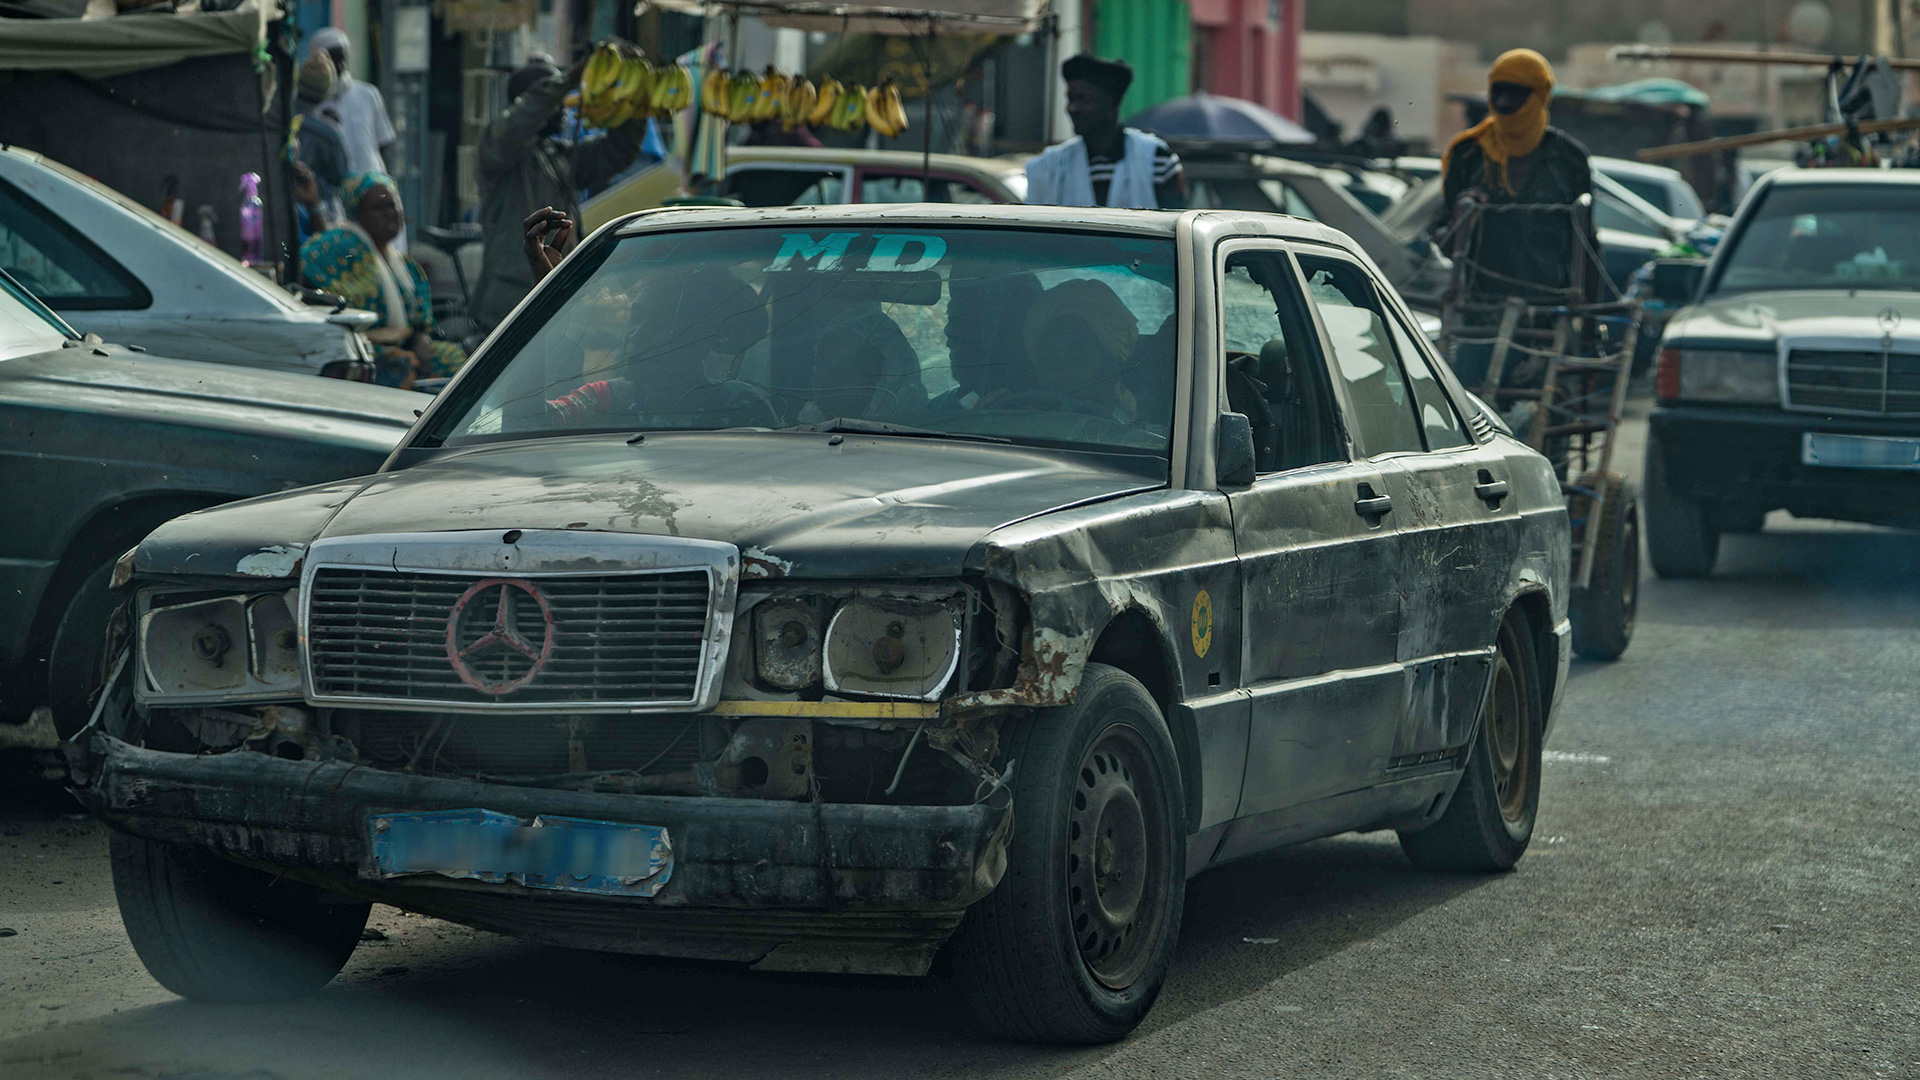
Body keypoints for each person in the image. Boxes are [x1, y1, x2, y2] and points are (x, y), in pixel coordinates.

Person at [1434, 48, 1599, 388]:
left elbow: (1588, 243)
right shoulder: (1468, 154)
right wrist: (1462, 214)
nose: (1505, 102)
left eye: (1517, 93)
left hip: (1549, 313)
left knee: (1545, 415)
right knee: (1473, 409)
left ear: (1540, 96)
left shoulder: (1568, 159)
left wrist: (1590, 320)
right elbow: (1443, 236)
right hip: (1481, 312)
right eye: (1499, 91)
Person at [472, 54, 652, 332]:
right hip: (512, 302)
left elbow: (618, 151)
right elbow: (520, 122)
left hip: (557, 295)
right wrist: (565, 80)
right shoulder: (499, 152)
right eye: (556, 99)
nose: (565, 106)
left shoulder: (557, 157)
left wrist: (634, 104)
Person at [301, 172, 467, 389]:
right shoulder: (341, 247)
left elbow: (420, 324)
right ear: (358, 214)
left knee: (456, 359)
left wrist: (421, 341)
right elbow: (306, 266)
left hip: (405, 346)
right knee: (400, 365)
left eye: (394, 205)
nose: (391, 213)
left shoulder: (406, 267)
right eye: (379, 207)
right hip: (359, 351)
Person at [1026, 54, 1185, 210]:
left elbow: (1173, 224)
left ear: (1114, 102)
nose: (1073, 108)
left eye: (1085, 100)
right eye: (1070, 99)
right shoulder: (1049, 165)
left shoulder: (1156, 159)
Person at [309, 29, 396, 178]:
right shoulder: (312, 101)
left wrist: (387, 180)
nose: (340, 65)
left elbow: (384, 143)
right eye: (334, 59)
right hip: (337, 187)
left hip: (373, 183)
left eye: (342, 58)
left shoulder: (368, 94)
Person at [292, 51, 349, 231]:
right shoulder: (329, 134)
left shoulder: (276, 119)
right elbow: (341, 180)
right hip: (318, 219)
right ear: (328, 90)